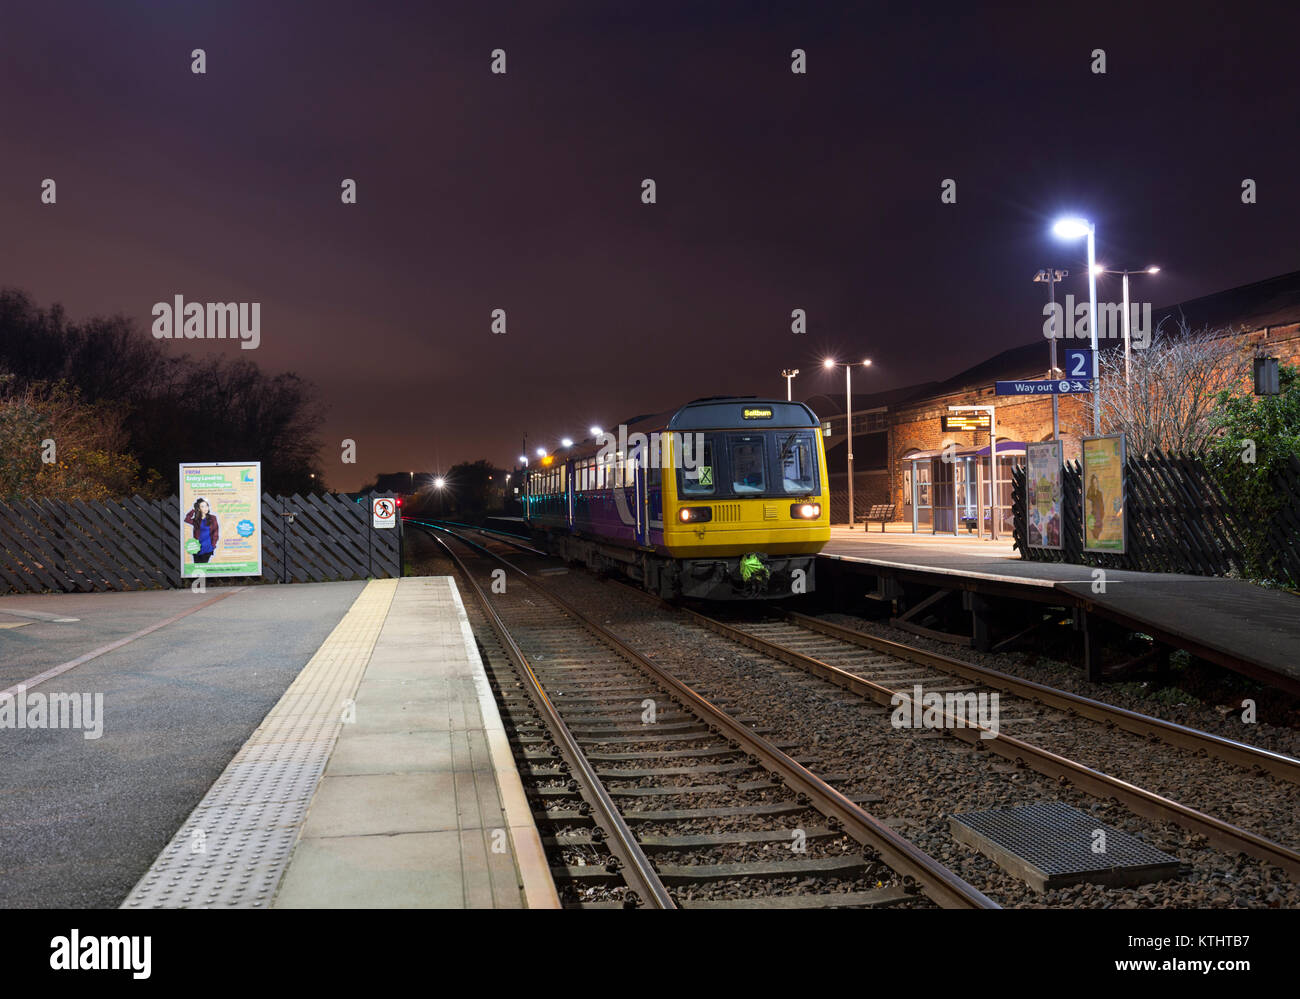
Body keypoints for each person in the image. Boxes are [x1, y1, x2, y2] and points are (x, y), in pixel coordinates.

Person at [184, 498, 220, 563]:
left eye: (206, 506)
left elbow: (215, 532)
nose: (206, 508)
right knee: (197, 568)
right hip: (197, 548)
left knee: (203, 568)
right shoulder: (196, 520)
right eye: (202, 506)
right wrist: (193, 510)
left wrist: (213, 545)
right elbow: (187, 519)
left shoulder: (212, 518)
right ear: (199, 509)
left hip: (207, 548)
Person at [1086, 474, 1104, 538]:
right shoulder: (1091, 494)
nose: (1095, 484)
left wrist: (1102, 514)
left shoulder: (1100, 493)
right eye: (1093, 483)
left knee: (1098, 531)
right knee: (1094, 531)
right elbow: (1087, 498)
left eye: (1096, 482)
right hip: (1093, 515)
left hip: (1099, 515)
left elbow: (1102, 504)